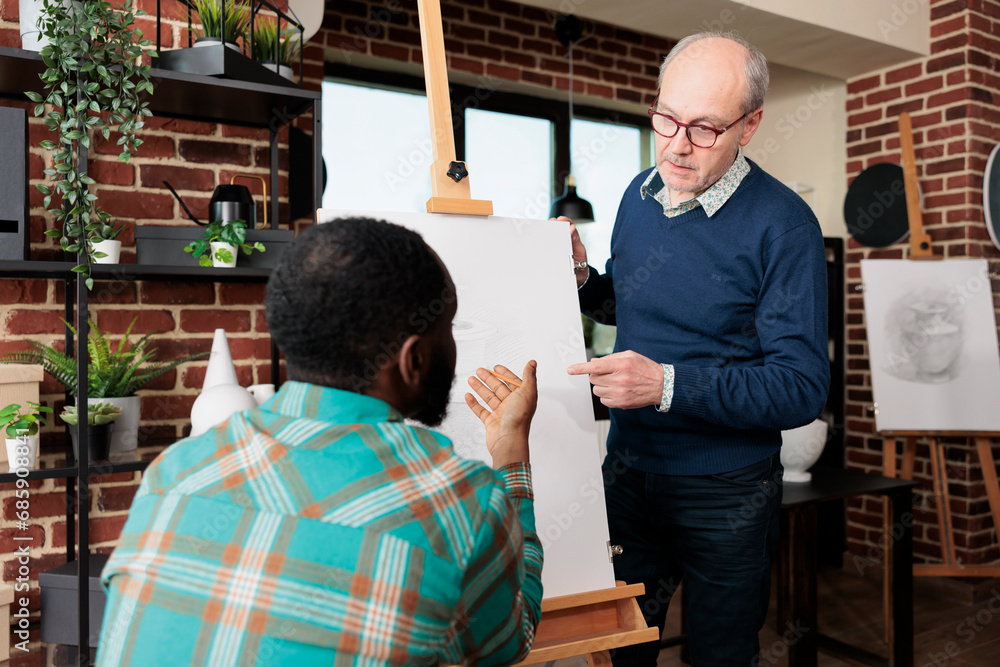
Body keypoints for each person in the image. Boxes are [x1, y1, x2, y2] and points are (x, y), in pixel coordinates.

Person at [96, 217, 543, 666]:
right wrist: (510, 450)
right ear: (413, 359)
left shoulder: (175, 471)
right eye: (446, 327)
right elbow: (507, 641)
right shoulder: (462, 505)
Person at [565, 32, 830, 666]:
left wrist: (668, 386)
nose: (678, 145)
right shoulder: (638, 195)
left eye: (705, 128)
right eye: (666, 119)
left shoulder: (785, 226)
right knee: (622, 647)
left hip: (727, 490)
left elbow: (800, 385)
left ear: (751, 125)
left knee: (718, 654)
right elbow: (627, 307)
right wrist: (582, 282)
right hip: (628, 472)